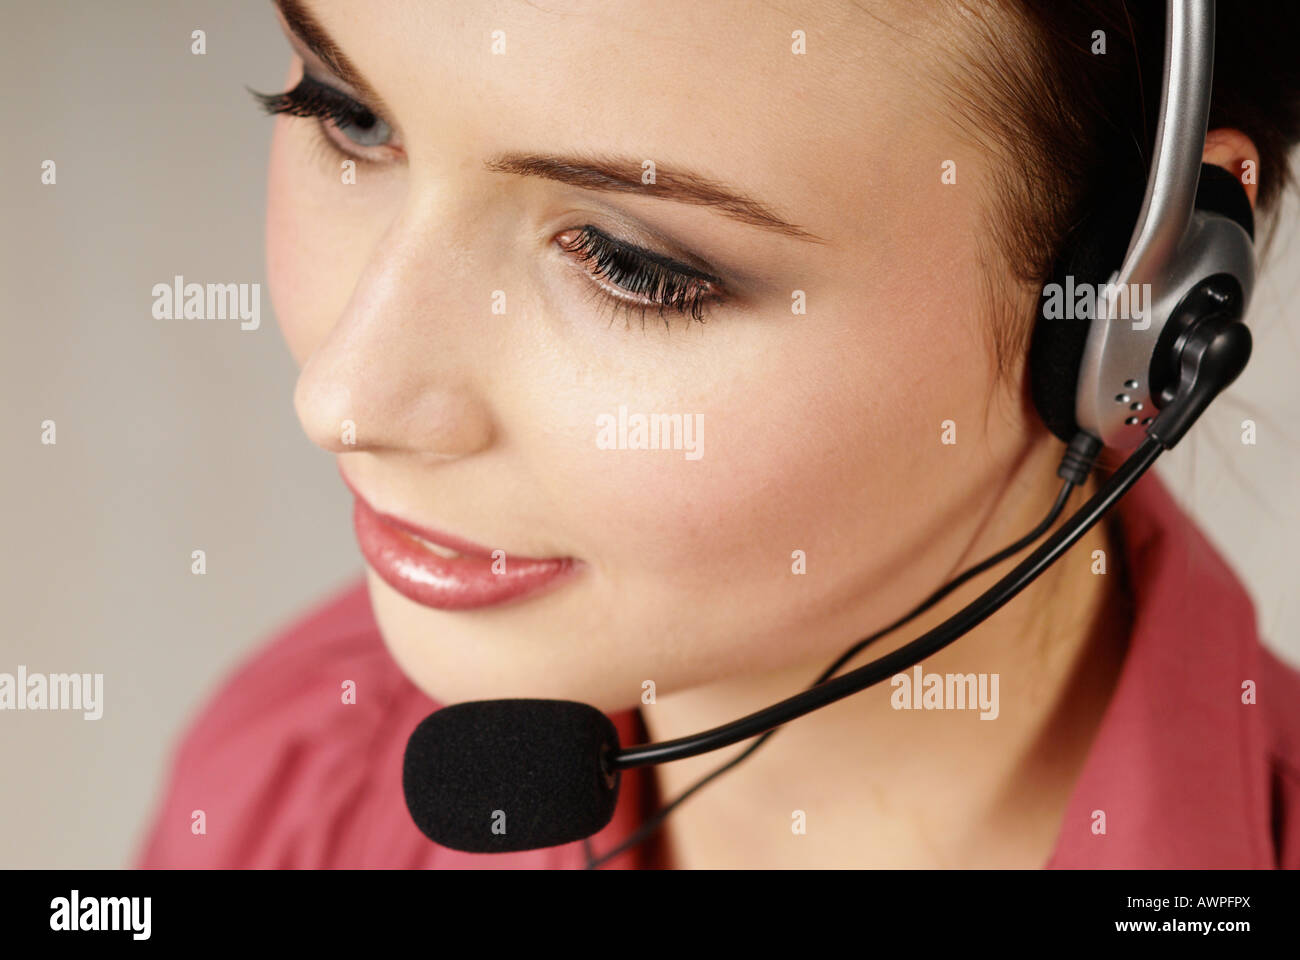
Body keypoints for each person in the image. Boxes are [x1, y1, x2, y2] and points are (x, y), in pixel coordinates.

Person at [136, 0, 1300, 869]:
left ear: (1138, 301)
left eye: (630, 265)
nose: (343, 399)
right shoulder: (288, 783)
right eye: (347, 117)